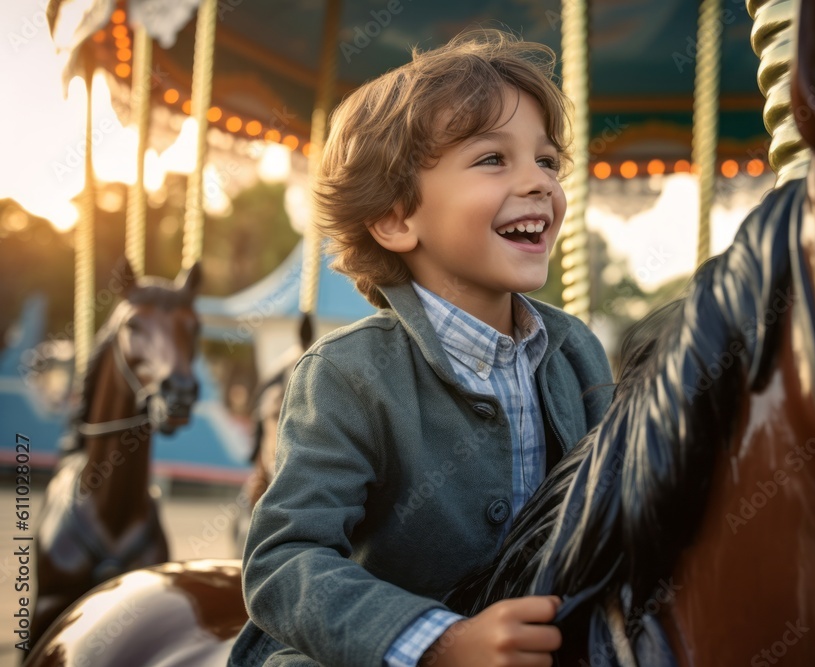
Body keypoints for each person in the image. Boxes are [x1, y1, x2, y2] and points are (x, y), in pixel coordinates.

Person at [229, 28, 613, 667]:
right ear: (396, 218)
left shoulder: (576, 353)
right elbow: (285, 559)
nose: (539, 182)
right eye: (493, 159)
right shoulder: (348, 375)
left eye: (546, 161)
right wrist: (439, 640)